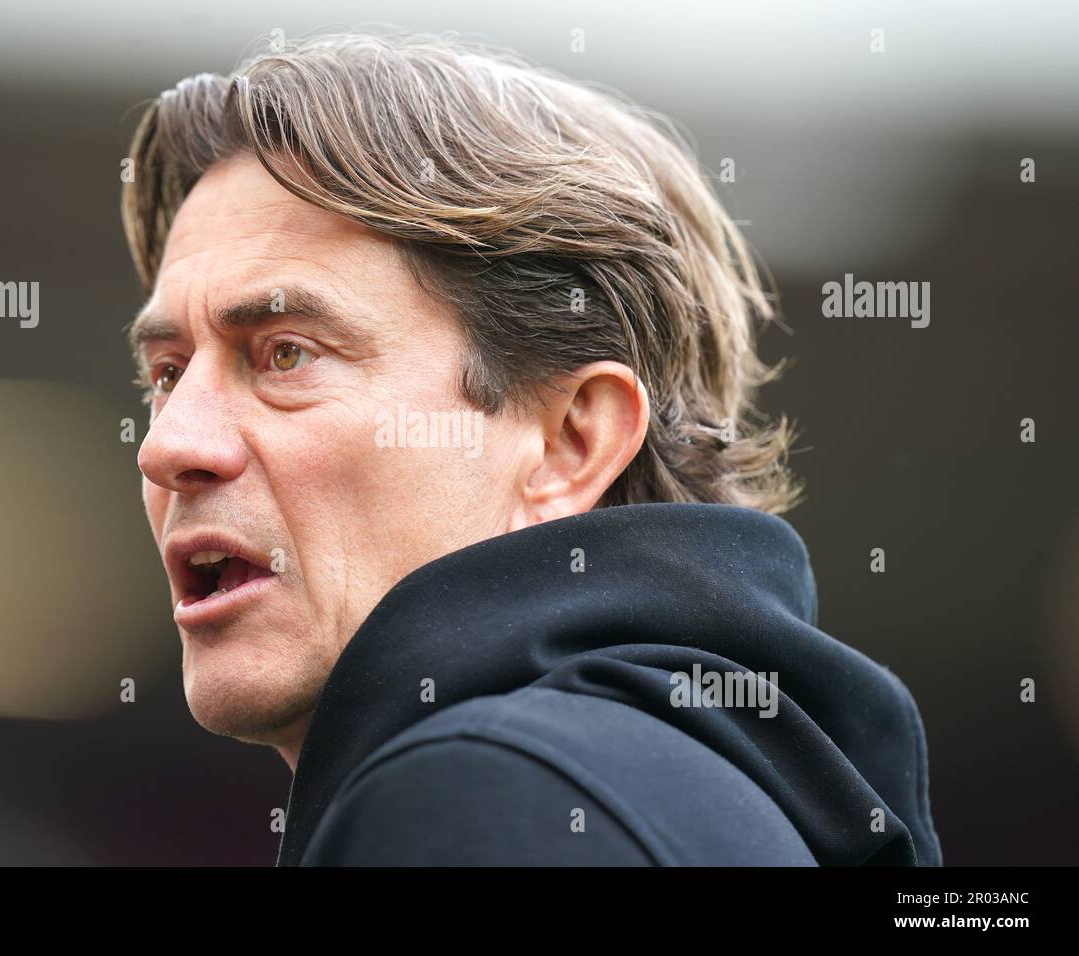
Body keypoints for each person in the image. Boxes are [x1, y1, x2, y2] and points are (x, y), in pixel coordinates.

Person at [120, 31, 941, 866]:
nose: (169, 445)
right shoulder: (715, 796)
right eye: (167, 374)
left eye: (287, 353)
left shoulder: (483, 798)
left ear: (570, 443)